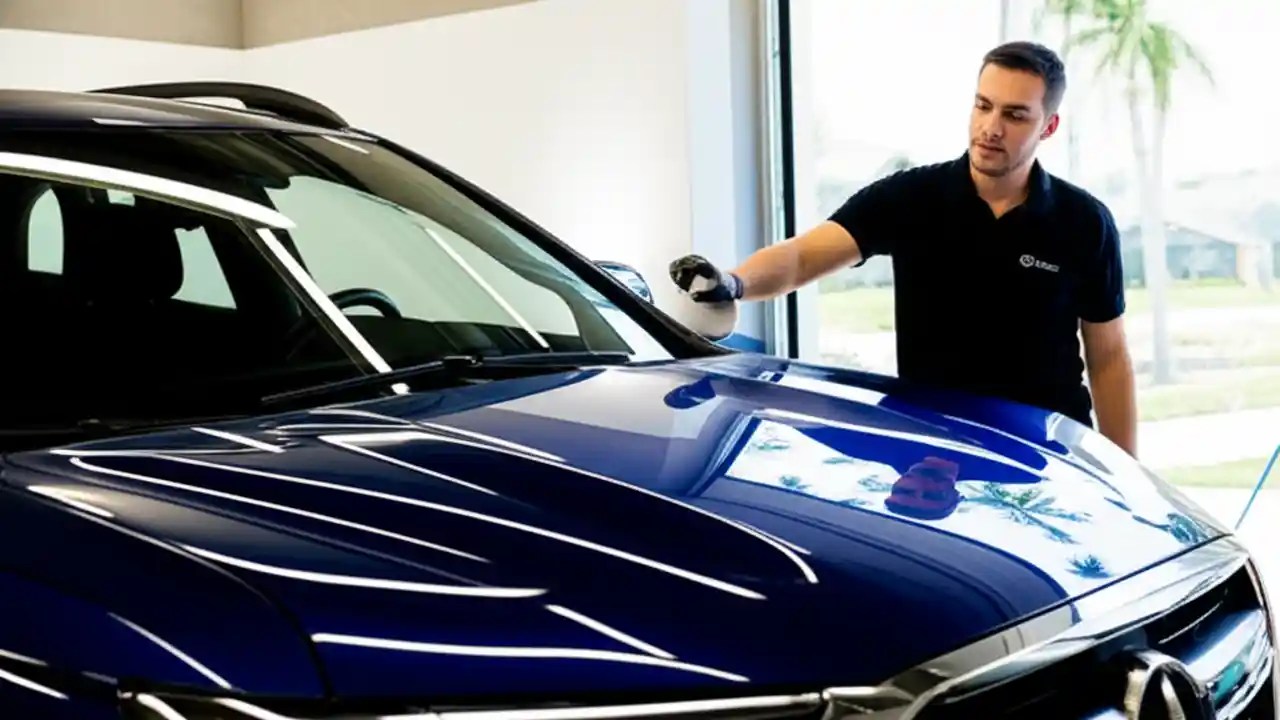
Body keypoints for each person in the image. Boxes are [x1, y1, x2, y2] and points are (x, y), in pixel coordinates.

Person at [668, 41, 1138, 457]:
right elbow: (803, 256)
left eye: (1014, 115)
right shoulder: (910, 198)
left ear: (1048, 126)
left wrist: (1131, 485)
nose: (991, 127)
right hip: (934, 446)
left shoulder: (1083, 222)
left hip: (1048, 456)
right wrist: (732, 283)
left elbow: (1109, 358)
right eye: (983, 106)